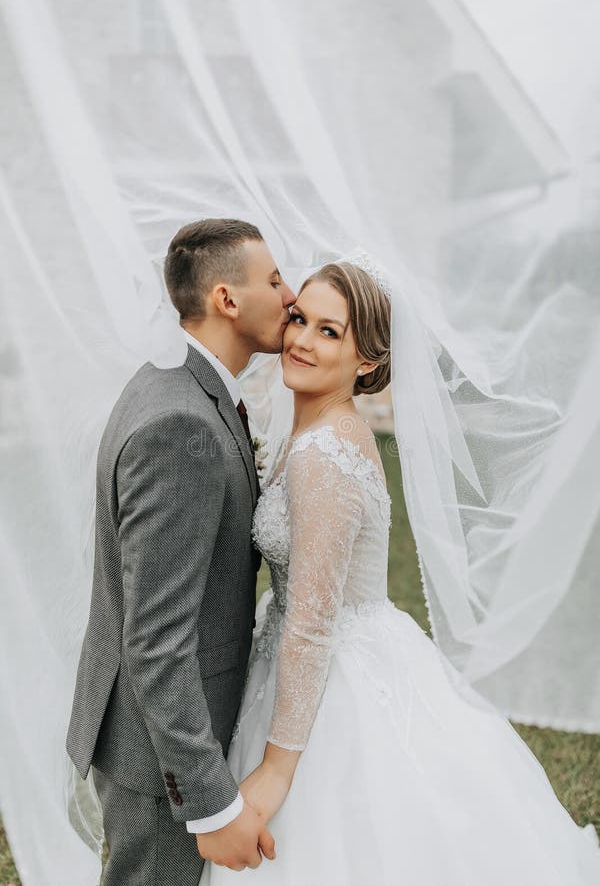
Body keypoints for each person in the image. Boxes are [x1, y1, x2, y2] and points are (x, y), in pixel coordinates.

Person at [201, 261, 600, 884]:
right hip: (308, 654)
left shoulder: (326, 455)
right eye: (300, 319)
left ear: (367, 361)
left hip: (334, 678)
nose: (302, 339)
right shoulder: (316, 431)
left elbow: (310, 622)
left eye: (331, 332)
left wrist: (278, 769)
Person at [66, 218, 296, 886]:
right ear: (227, 299)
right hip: (159, 758)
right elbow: (157, 639)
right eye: (275, 280)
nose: (291, 296)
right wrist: (209, 803)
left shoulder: (173, 387)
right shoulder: (184, 427)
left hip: (151, 737)